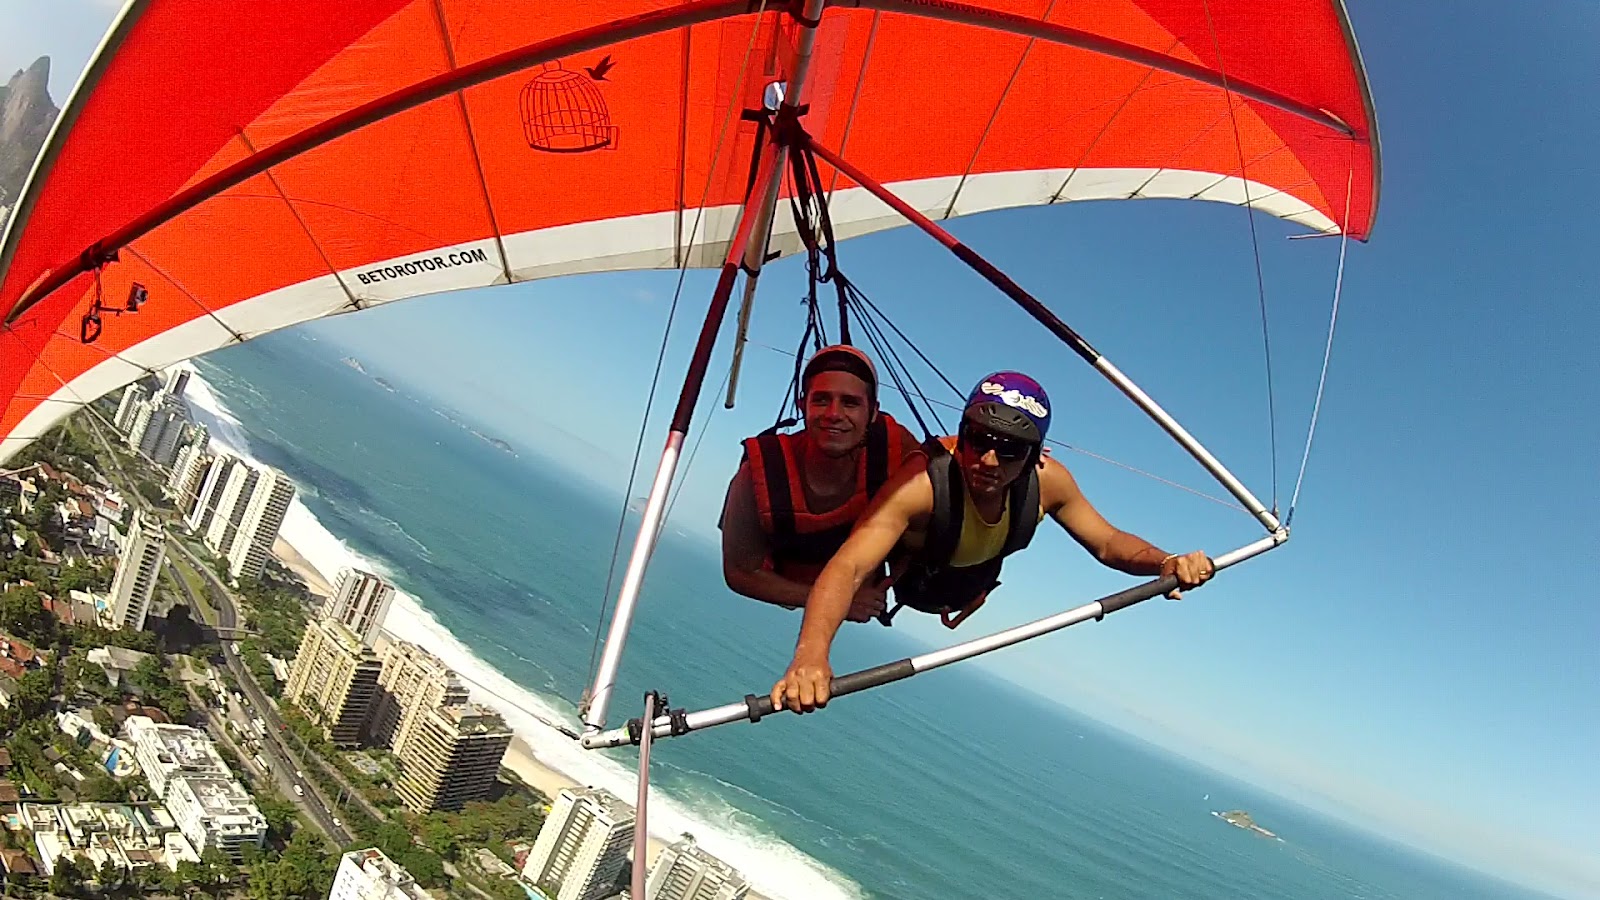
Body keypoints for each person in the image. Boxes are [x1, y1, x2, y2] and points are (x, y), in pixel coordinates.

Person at [770, 370, 1215, 713]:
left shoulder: (1049, 483)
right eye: (978, 439)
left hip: (966, 590)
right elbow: (849, 565)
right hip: (913, 587)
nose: (987, 460)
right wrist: (811, 656)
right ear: (962, 431)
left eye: (1010, 449)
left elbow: (1108, 541)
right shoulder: (922, 483)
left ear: (1036, 454)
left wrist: (1166, 561)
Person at [720, 345, 921, 623]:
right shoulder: (758, 475)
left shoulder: (897, 449)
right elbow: (739, 572)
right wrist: (835, 600)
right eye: (821, 400)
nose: (833, 414)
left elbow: (943, 493)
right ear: (803, 405)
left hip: (864, 572)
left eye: (850, 403)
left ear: (872, 413)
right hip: (795, 576)